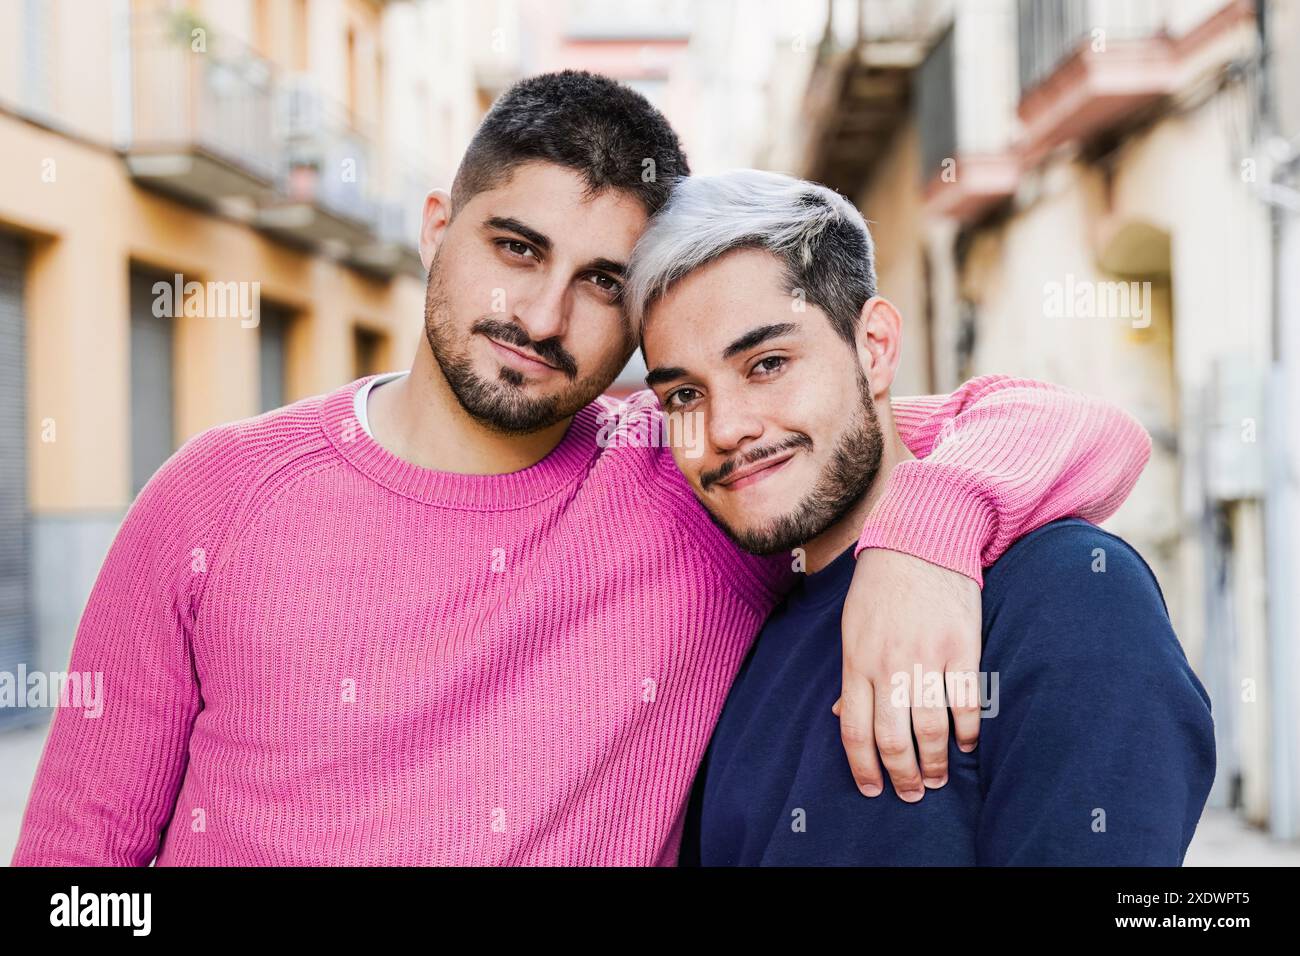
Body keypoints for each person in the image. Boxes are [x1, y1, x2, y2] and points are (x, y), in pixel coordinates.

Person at [14, 74, 1150, 866]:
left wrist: (924, 536)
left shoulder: (693, 469)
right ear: (436, 227)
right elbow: (76, 865)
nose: (544, 315)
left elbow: (1073, 427)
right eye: (516, 249)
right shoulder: (216, 494)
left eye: (603, 282)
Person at [625, 169, 1215, 865]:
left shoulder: (1068, 594)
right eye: (685, 395)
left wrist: (925, 528)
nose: (725, 428)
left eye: (768, 363)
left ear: (874, 347)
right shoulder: (740, 630)